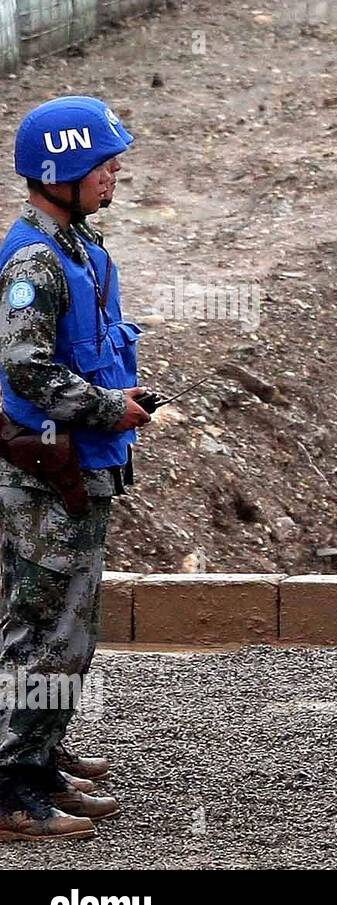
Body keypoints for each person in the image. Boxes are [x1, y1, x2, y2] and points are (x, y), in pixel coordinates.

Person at [0, 96, 147, 840]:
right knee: (39, 633)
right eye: (101, 160)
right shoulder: (34, 257)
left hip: (78, 470)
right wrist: (107, 407)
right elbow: (25, 370)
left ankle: (39, 757)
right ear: (58, 169)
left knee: (70, 630)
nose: (114, 169)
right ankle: (11, 787)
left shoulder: (77, 245)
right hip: (45, 477)